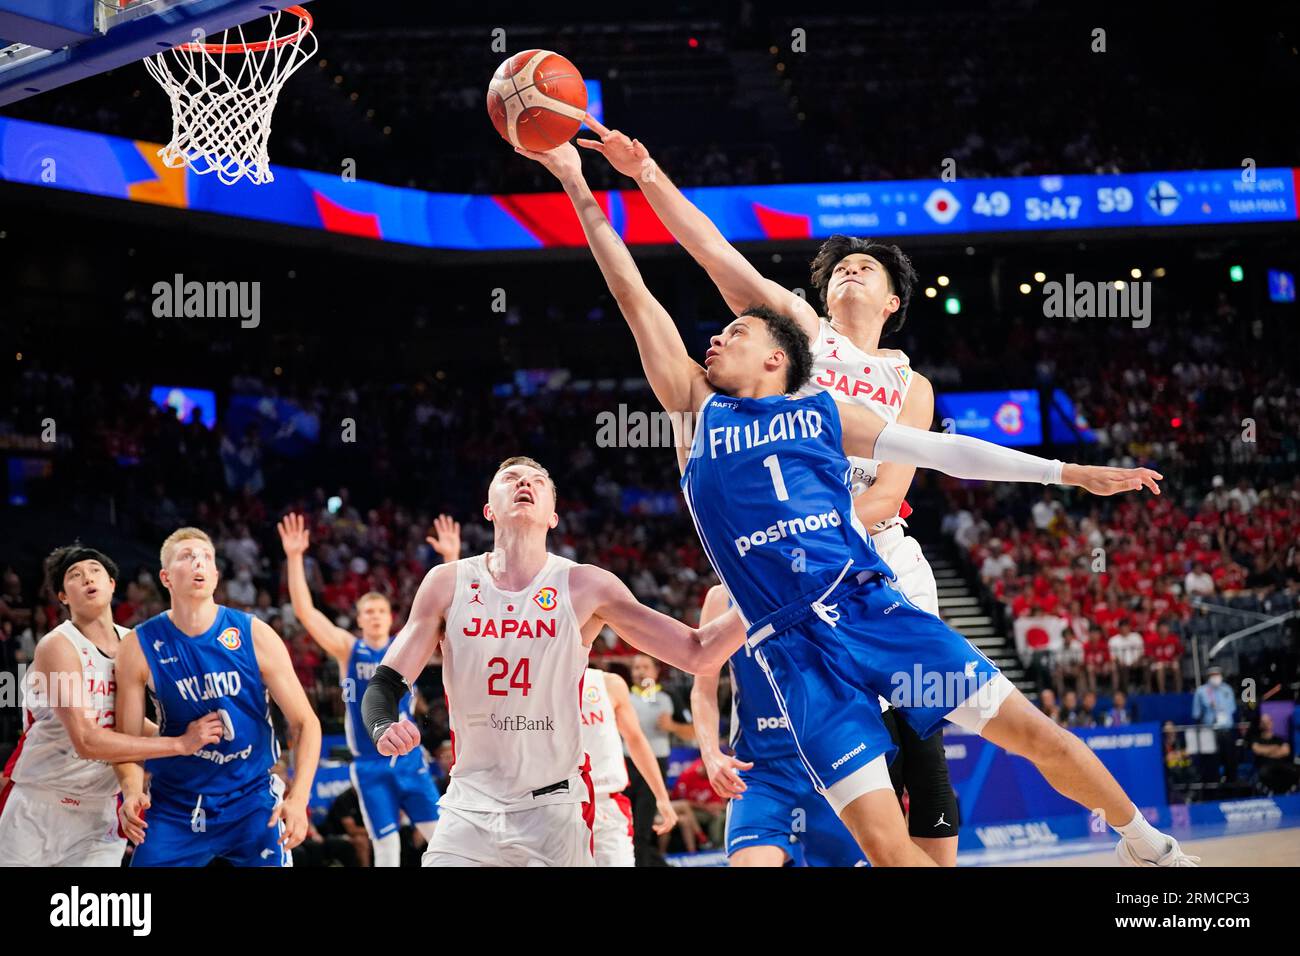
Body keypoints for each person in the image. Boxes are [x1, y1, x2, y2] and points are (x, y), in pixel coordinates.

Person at [521, 139, 1194, 867]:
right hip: (791, 642)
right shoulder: (697, 406)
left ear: (777, 357)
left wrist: (1065, 473)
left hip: (873, 594)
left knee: (1024, 734)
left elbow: (943, 454)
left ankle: (1149, 847)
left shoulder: (829, 408)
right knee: (883, 844)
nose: (716, 333)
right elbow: (637, 287)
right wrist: (576, 179)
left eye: (734, 332)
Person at [578, 118, 961, 864]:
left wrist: (820, 530)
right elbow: (710, 251)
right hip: (798, 564)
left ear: (893, 303)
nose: (849, 270)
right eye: (840, 265)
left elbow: (888, 494)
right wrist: (645, 170)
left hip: (878, 557)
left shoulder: (907, 383)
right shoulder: (798, 334)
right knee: (842, 741)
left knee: (924, 745)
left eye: (866, 269)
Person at [360, 457, 747, 867]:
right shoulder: (447, 583)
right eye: (510, 478)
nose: (524, 482)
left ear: (554, 516)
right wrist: (383, 724)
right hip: (469, 805)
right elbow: (385, 684)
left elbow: (697, 653)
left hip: (554, 809)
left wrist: (774, 590)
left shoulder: (585, 585)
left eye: (538, 481)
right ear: (488, 509)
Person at [0, 545, 223, 867]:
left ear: (112, 584)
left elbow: (127, 725)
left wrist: (199, 742)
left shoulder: (135, 643)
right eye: (75, 576)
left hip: (99, 813)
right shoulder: (58, 646)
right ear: (63, 596)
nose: (87, 577)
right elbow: (88, 740)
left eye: (94, 570)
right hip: (40, 803)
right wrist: (178, 743)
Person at [114, 527, 321, 866]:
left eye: (206, 557)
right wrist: (132, 791)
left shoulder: (254, 634)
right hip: (176, 803)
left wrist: (298, 797)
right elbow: (128, 740)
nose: (198, 562)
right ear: (166, 577)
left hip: (250, 798)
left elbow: (305, 722)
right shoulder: (138, 646)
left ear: (215, 575)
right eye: (187, 556)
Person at [277, 512, 441, 867]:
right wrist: (294, 558)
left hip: (409, 759)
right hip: (368, 763)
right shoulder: (347, 649)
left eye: (381, 610)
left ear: (391, 615)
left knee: (442, 841)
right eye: (369, 611)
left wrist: (451, 558)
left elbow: (449, 616)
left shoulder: (406, 645)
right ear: (359, 618)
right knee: (384, 848)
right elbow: (306, 612)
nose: (376, 616)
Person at [694, 585, 865, 867]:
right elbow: (702, 688)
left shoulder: (829, 579)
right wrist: (710, 753)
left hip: (832, 762)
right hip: (761, 769)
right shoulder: (721, 598)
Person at [580, 663, 678, 866]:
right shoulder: (537, 684)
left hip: (605, 799)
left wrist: (662, 796)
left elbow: (635, 739)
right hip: (556, 803)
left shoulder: (609, 683)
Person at [624, 653, 693, 866]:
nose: (640, 672)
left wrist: (672, 726)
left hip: (654, 767)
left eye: (645, 667)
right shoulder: (623, 696)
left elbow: (692, 732)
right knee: (625, 827)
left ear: (655, 671)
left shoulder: (669, 696)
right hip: (625, 766)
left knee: (643, 829)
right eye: (636, 668)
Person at [1192, 666, 1238, 783]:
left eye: (1217, 674)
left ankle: (1231, 787)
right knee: (1210, 766)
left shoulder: (1227, 689)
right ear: (1208, 676)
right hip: (1209, 732)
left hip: (1226, 731)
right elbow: (1196, 714)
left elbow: (1232, 710)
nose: (1216, 677)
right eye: (1213, 675)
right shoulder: (1201, 691)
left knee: (1231, 761)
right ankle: (1213, 792)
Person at [1249, 714, 1297, 795]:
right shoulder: (1256, 739)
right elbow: (1257, 750)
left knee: (1294, 770)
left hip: (1281, 765)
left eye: (1268, 722)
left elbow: (1286, 751)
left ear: (1272, 723)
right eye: (1264, 722)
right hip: (1265, 766)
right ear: (1260, 724)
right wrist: (1275, 748)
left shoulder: (1279, 739)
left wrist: (1266, 751)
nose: (1266, 724)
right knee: (1265, 772)